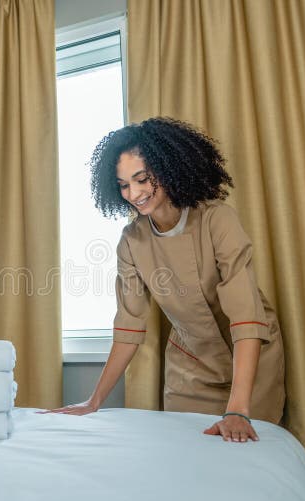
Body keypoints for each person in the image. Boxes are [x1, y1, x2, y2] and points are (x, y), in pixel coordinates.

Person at [43, 117, 285, 443]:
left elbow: (245, 317)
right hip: (191, 369)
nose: (134, 193)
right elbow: (129, 327)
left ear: (169, 169)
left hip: (251, 364)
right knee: (185, 457)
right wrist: (93, 401)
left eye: (142, 179)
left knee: (247, 459)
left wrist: (238, 409)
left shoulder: (217, 219)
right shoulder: (131, 241)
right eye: (124, 184)